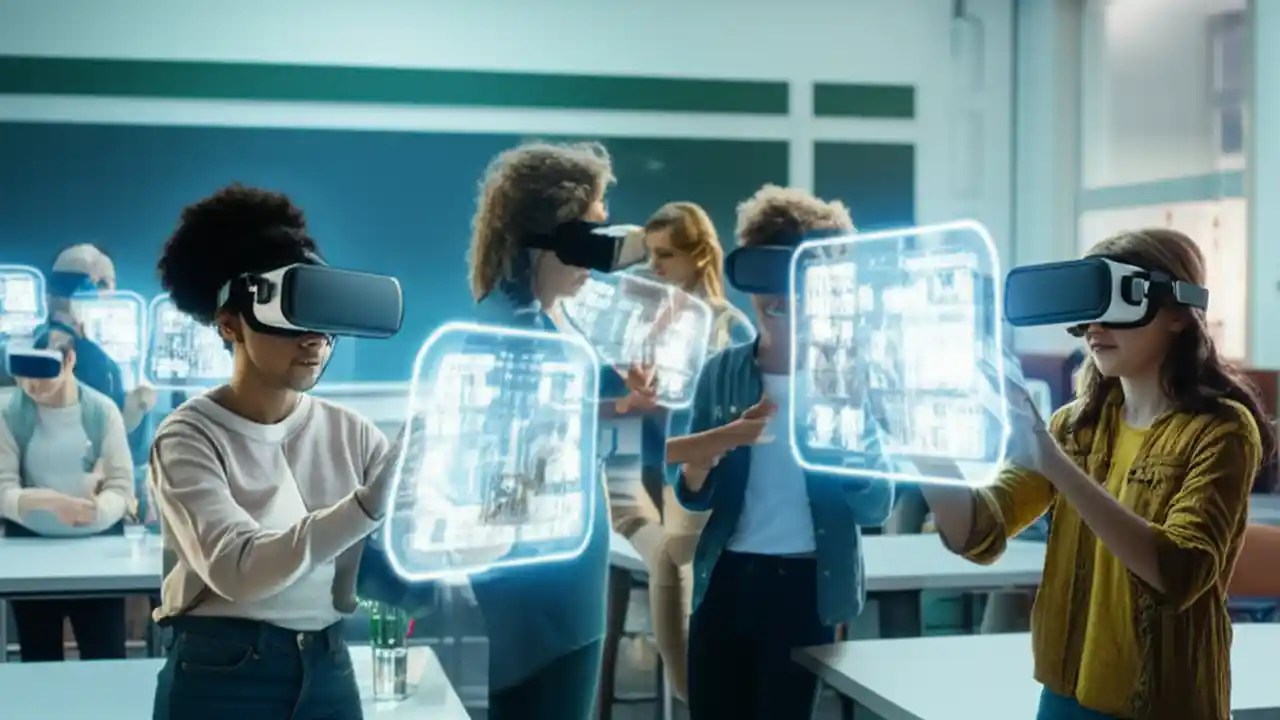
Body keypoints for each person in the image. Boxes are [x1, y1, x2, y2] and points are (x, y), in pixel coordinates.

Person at [922, 229, 1274, 719]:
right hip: (1065, 694)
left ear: (1177, 313)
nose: (1094, 327)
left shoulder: (1221, 432)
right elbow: (977, 530)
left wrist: (1052, 462)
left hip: (1164, 703)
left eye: (1115, 304)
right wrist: (920, 444)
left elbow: (1179, 574)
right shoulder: (1074, 427)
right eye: (1088, 308)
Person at [148, 185, 406, 719]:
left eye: (323, 316)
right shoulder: (188, 437)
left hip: (329, 665)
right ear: (230, 324)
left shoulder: (352, 433)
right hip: (220, 674)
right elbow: (240, 569)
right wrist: (366, 507)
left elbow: (401, 562)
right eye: (292, 315)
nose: (314, 339)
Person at [672, 185, 895, 719]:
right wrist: (714, 448)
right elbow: (694, 494)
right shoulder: (722, 372)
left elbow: (875, 508)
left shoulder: (852, 380)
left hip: (806, 588)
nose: (780, 296)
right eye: (766, 275)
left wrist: (851, 432)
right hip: (725, 579)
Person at [609, 200, 753, 700]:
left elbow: (742, 424)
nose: (654, 267)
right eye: (649, 254)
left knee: (677, 560)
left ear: (700, 257)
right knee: (669, 560)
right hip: (638, 476)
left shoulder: (729, 330)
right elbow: (621, 417)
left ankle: (692, 693)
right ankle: (688, 692)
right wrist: (633, 398)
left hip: (695, 481)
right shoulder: (639, 321)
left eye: (665, 255)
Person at [0, 328, 134, 661]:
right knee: (38, 657)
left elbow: (120, 486)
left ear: (69, 360)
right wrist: (44, 501)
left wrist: (97, 510)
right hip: (30, 553)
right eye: (24, 375)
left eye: (43, 373)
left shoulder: (102, 412)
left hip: (98, 553)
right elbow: (3, 488)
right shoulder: (10, 413)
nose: (32, 385)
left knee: (105, 656)